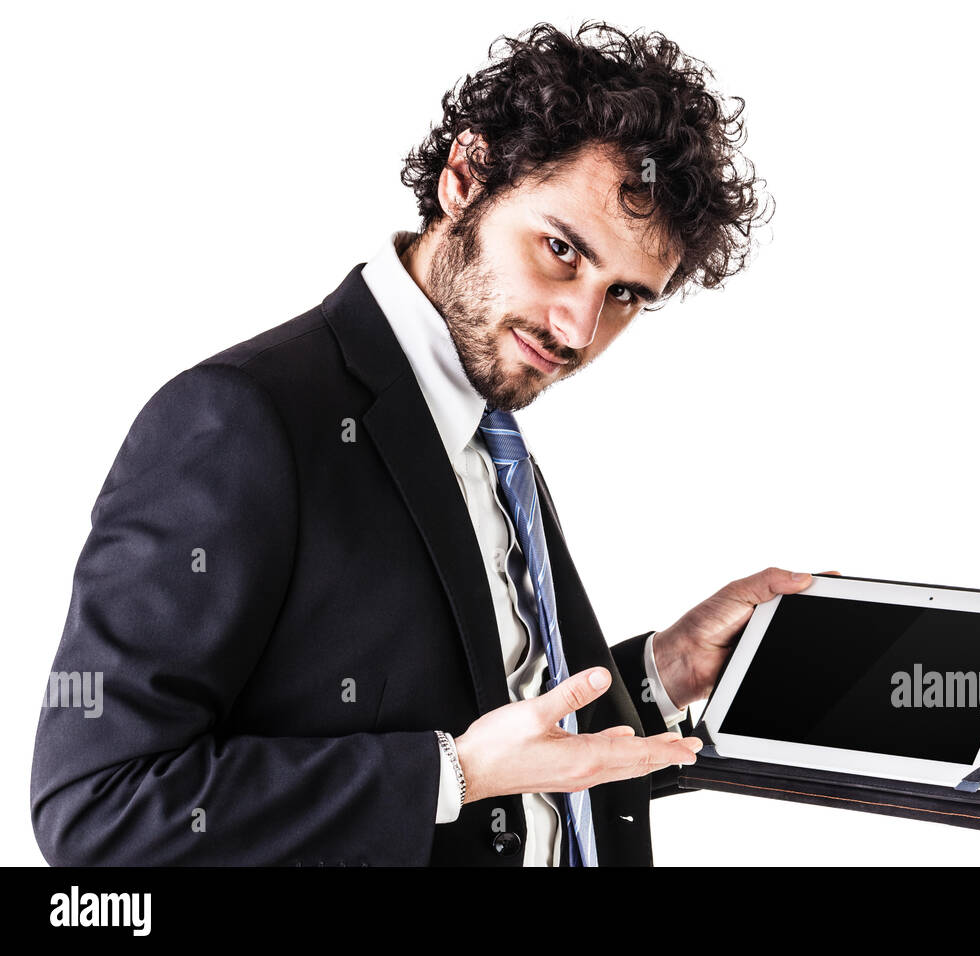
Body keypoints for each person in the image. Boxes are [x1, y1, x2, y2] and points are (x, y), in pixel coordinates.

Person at [30, 20, 821, 866]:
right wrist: (445, 778)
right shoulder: (239, 419)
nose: (578, 327)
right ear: (464, 177)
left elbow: (493, 718)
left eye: (625, 294)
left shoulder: (483, 427)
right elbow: (97, 806)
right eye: (561, 250)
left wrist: (663, 673)